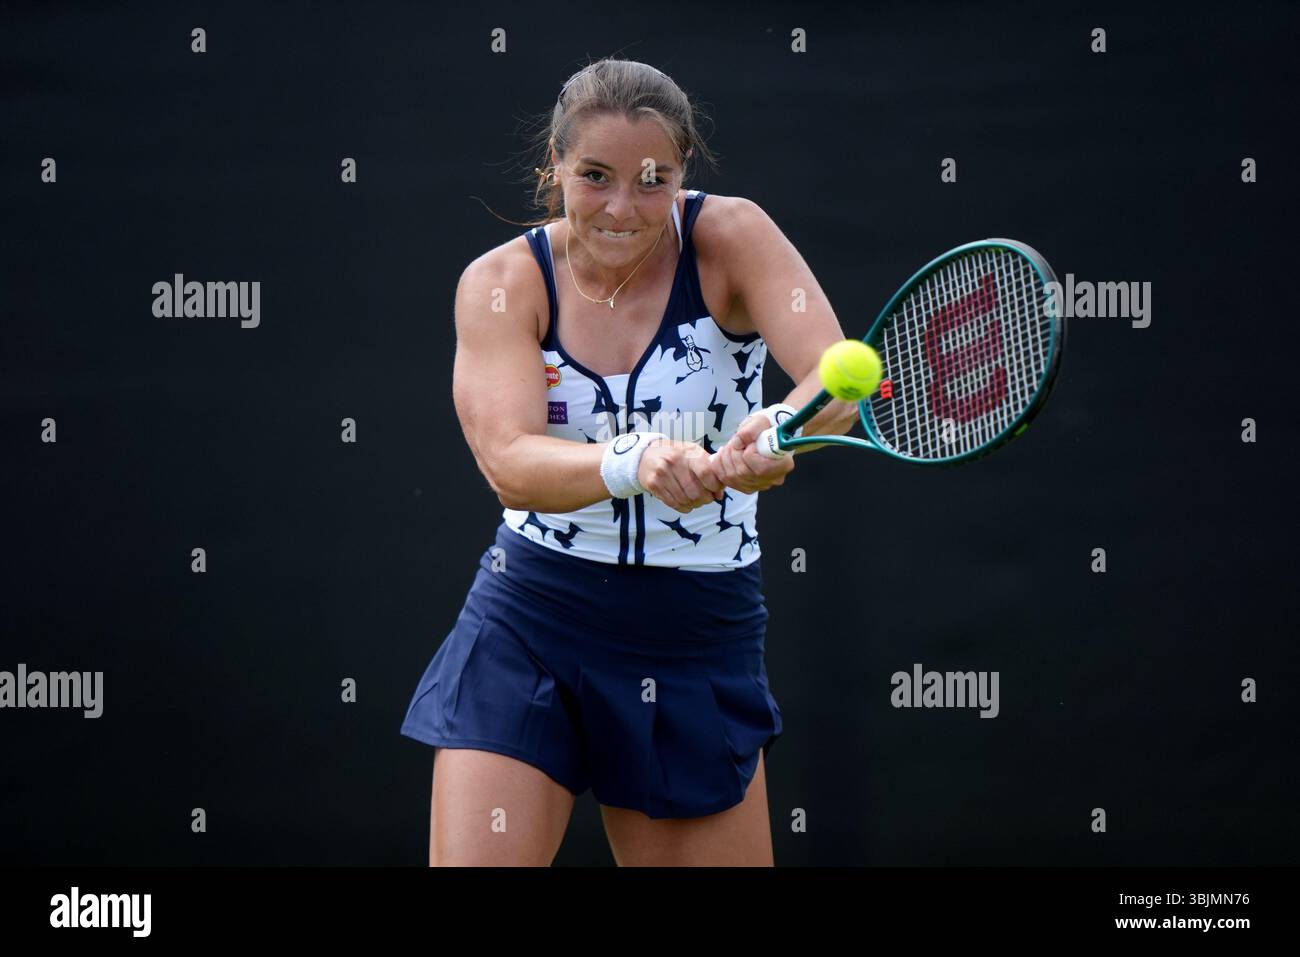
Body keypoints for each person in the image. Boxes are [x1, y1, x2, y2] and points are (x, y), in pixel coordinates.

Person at [400, 57, 858, 866]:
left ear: (684, 173)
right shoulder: (502, 284)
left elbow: (839, 377)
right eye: (595, 176)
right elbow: (509, 462)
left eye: (654, 180)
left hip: (695, 636)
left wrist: (777, 431)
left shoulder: (733, 237)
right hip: (530, 622)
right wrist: (637, 458)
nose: (621, 206)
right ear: (555, 165)